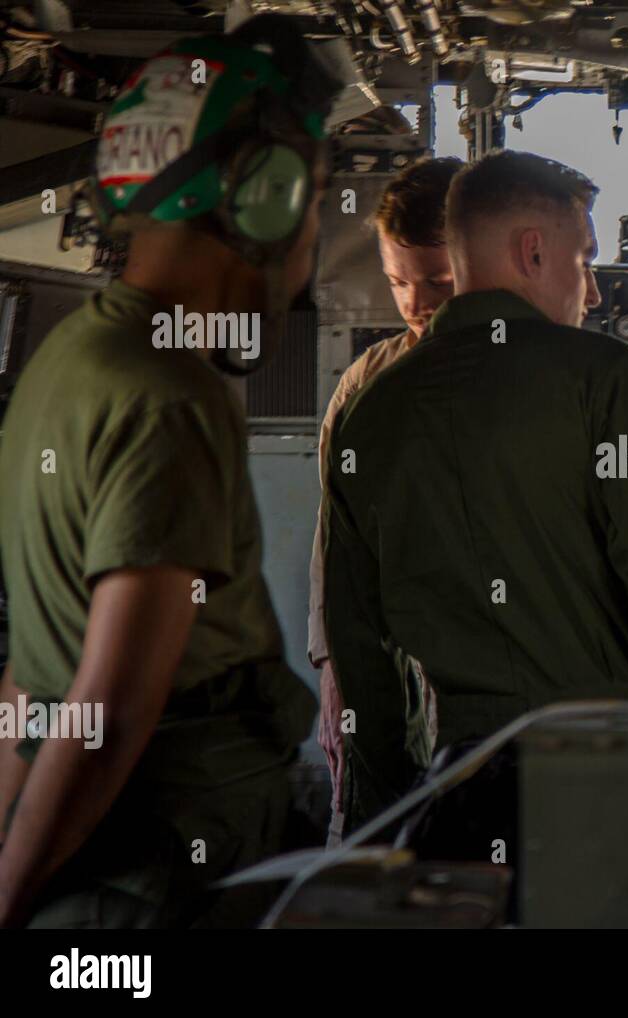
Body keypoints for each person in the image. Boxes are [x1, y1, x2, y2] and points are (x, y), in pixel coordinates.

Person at [0, 15, 340, 927]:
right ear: (262, 199)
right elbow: (108, 705)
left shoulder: (66, 360)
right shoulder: (169, 396)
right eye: (311, 203)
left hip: (85, 869)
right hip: (164, 878)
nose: (312, 238)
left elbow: (31, 680)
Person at [323, 150, 628, 834]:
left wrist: (391, 809)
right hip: (603, 762)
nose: (595, 292)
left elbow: (356, 634)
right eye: (583, 261)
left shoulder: (371, 408)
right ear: (532, 251)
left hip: (461, 776)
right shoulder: (604, 377)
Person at [308, 156, 462, 844]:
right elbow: (331, 544)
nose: (417, 302)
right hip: (374, 655)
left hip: (479, 667)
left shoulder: (529, 376)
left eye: (437, 281)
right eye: (399, 282)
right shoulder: (364, 383)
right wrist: (331, 670)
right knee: (377, 841)